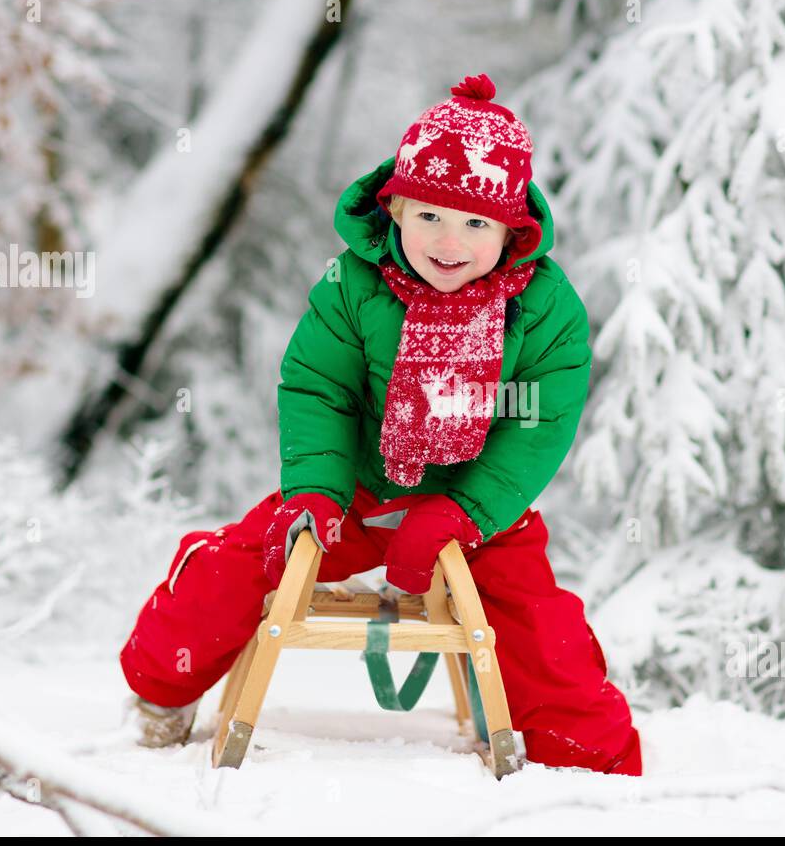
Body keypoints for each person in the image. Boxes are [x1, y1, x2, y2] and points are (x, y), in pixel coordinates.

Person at [119, 73, 643, 775]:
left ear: (512, 230)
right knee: (240, 566)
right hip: (361, 487)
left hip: (478, 505)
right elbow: (319, 388)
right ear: (395, 207)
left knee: (541, 629)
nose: (449, 241)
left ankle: (591, 760)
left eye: (476, 224)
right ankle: (160, 688)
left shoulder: (545, 307)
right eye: (429, 216)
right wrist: (316, 493)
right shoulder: (354, 285)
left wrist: (467, 510)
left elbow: (540, 422)